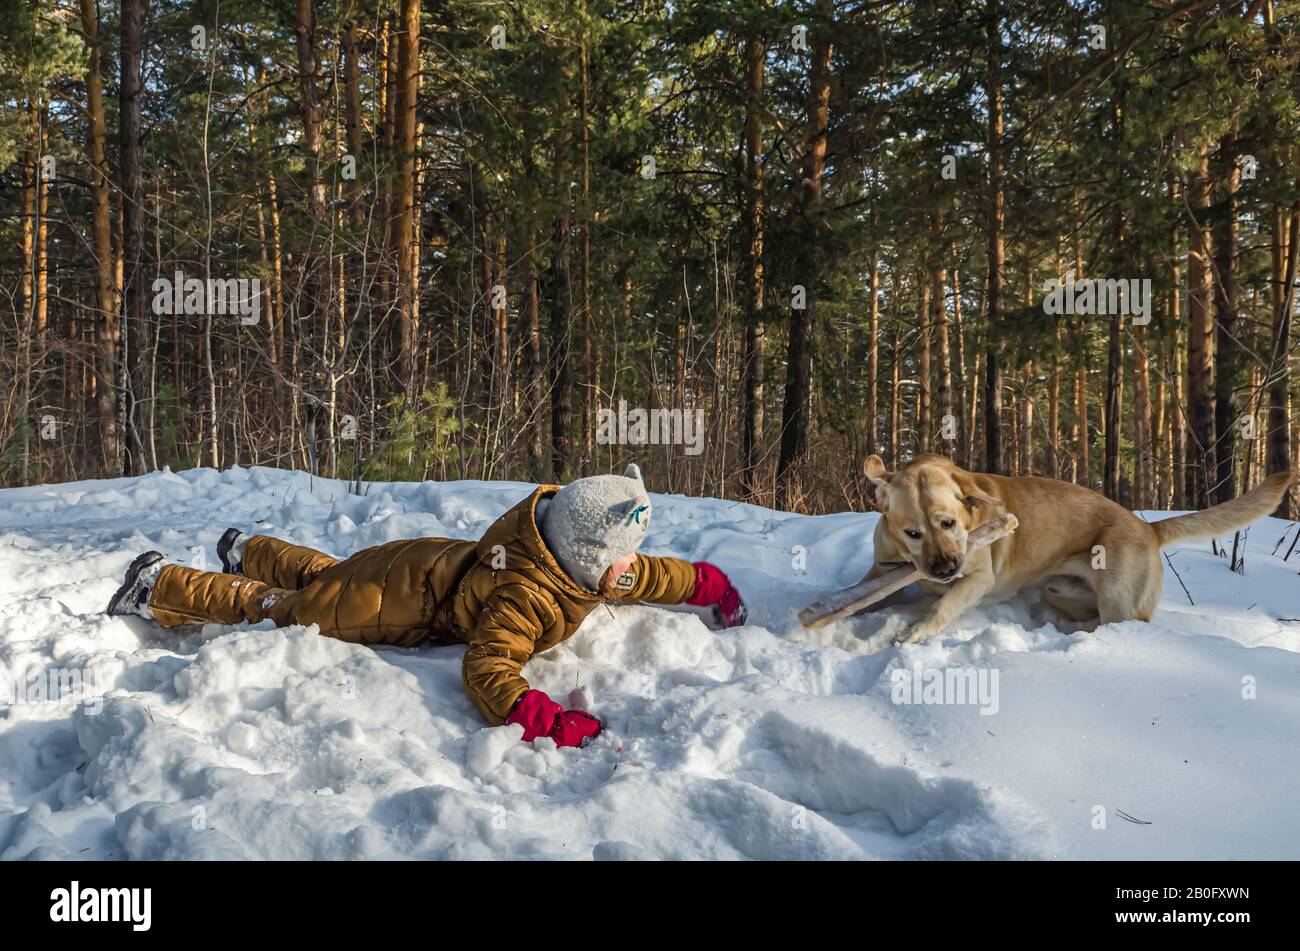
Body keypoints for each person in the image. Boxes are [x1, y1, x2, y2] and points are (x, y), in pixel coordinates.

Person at [105, 465, 746, 748]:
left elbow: (651, 574)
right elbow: (489, 670)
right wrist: (548, 723)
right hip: (397, 599)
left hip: (422, 562)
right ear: (583, 556)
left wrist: (708, 585)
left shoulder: (587, 565)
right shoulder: (525, 593)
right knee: (289, 611)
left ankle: (249, 548)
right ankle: (160, 584)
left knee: (331, 576)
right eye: (621, 558)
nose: (630, 569)